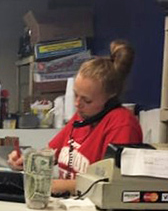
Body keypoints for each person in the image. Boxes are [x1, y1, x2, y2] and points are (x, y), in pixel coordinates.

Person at [8, 40, 142, 195]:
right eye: (76, 95)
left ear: (110, 96)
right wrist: (27, 161)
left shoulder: (122, 125)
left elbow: (113, 185)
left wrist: (61, 185)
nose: (78, 104)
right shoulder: (82, 117)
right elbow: (50, 155)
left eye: (87, 100)